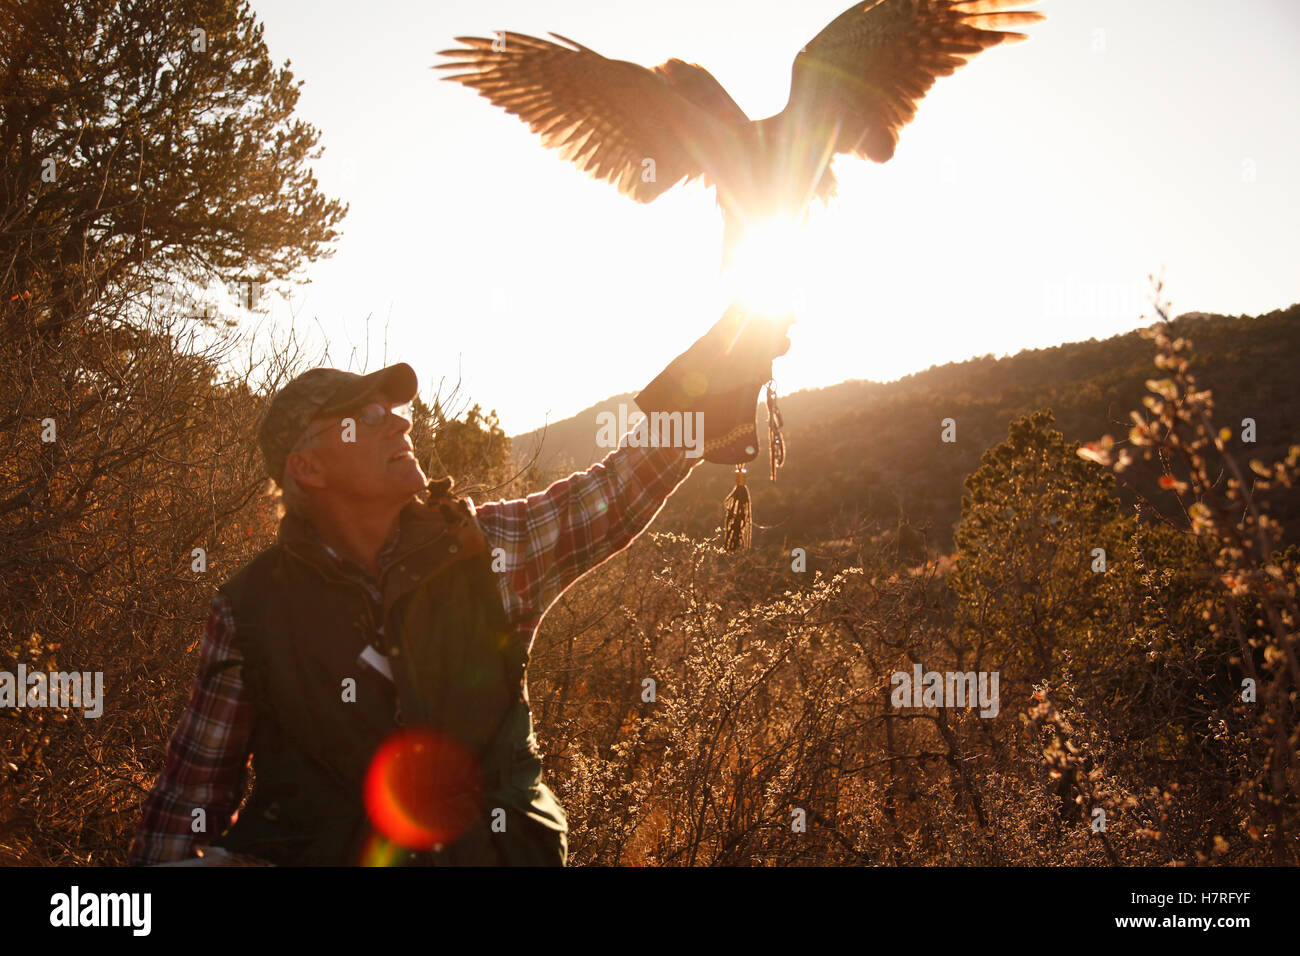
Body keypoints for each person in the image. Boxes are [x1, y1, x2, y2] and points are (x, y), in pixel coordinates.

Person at [128, 304, 791, 866]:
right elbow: (184, 812)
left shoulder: (484, 550)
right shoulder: (249, 611)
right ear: (307, 468)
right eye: (366, 416)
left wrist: (712, 377)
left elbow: (615, 492)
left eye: (393, 407)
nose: (400, 420)